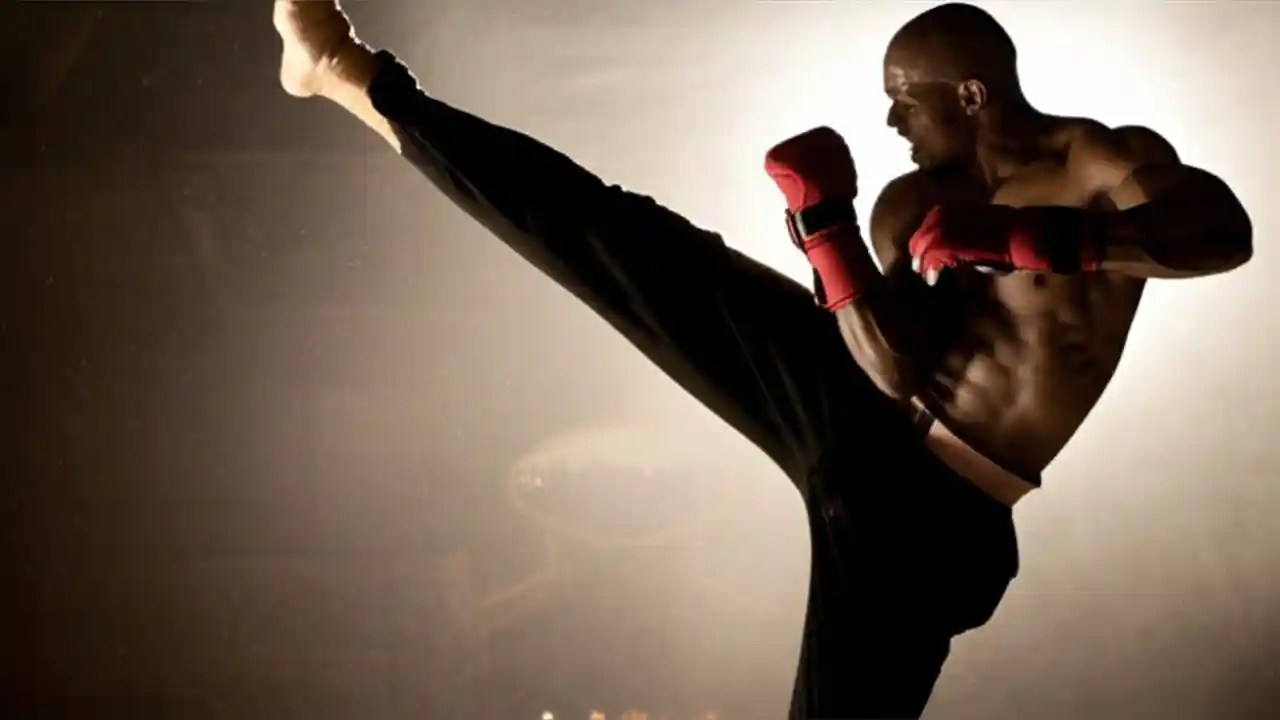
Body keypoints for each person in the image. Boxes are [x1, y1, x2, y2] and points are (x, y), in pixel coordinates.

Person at [272, 1, 1253, 717]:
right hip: (855, 418)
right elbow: (890, 370)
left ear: (967, 92)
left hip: (937, 513)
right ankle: (352, 77)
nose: (889, 126)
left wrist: (1036, 240)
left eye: (904, 104)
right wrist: (825, 236)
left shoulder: (1094, 162)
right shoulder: (907, 209)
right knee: (626, 240)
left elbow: (1219, 234)